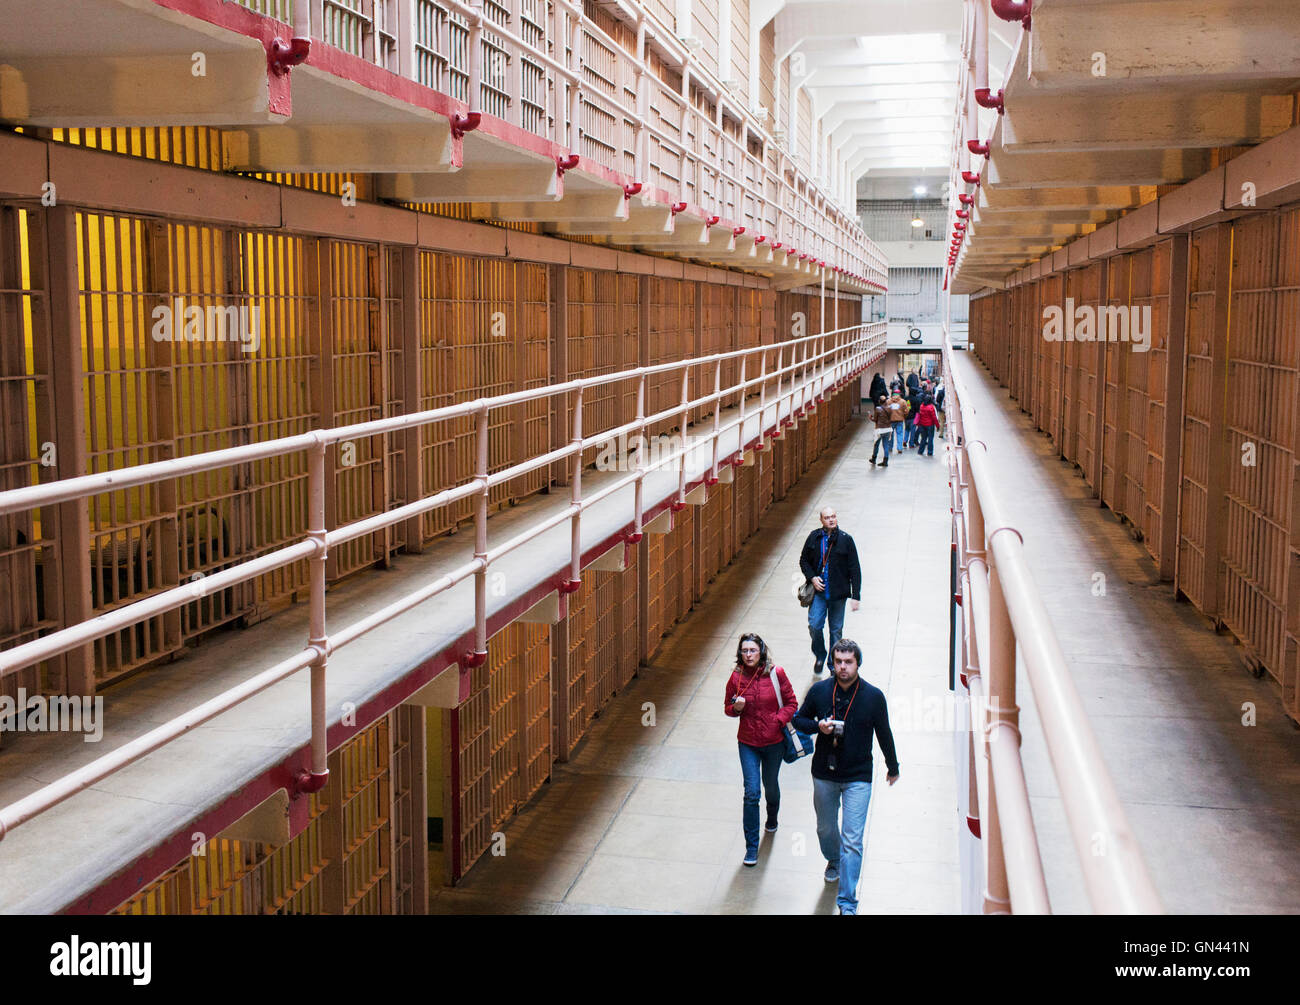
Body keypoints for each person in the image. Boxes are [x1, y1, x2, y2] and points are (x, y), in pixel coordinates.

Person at [793, 638, 900, 916]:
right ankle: (834, 859)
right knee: (825, 829)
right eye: (838, 661)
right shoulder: (820, 691)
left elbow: (884, 733)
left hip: (858, 777)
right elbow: (798, 719)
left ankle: (848, 903)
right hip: (824, 773)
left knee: (852, 841)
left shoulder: (873, 697)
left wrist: (893, 766)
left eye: (848, 662)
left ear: (857, 664)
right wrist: (818, 726)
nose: (843, 667)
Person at [725, 633, 798, 867]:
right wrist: (736, 708)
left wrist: (778, 720)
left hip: (774, 742)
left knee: (770, 785)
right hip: (747, 742)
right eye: (744, 650)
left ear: (761, 652)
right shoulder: (736, 677)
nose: (748, 655)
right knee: (751, 792)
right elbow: (727, 707)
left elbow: (792, 703)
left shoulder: (776, 674)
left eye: (753, 650)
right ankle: (751, 847)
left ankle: (772, 816)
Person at [798, 508, 862, 675]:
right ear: (821, 520)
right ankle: (820, 653)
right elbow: (804, 560)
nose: (831, 520)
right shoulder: (814, 537)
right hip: (818, 593)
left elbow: (854, 568)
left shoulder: (846, 540)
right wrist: (812, 577)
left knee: (835, 630)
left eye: (833, 516)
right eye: (827, 517)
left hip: (838, 595)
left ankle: (833, 664)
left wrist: (856, 595)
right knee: (814, 625)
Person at [868, 396, 893, 467]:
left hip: (879, 430)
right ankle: (885, 461)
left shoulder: (878, 409)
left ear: (879, 401)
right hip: (888, 429)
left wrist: (870, 417)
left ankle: (874, 458)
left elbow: (875, 420)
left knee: (876, 444)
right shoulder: (890, 408)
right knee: (886, 445)